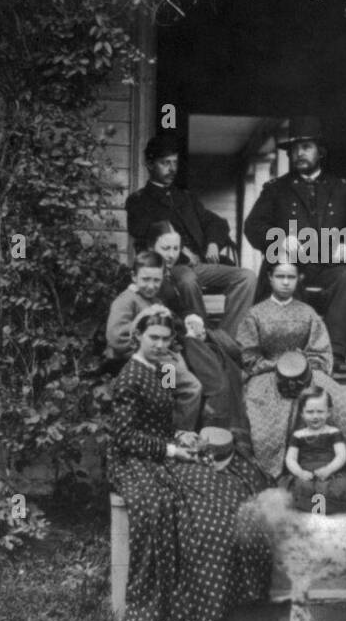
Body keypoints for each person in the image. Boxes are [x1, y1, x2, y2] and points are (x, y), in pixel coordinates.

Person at [105, 306, 272, 621]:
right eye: (153, 338)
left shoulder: (163, 368)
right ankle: (185, 606)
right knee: (183, 506)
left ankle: (226, 593)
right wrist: (170, 450)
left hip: (163, 447)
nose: (160, 344)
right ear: (138, 337)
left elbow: (167, 413)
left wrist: (180, 435)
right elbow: (124, 437)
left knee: (235, 481)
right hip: (134, 460)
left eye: (166, 339)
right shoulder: (129, 378)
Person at [237, 260, 346, 480]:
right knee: (265, 423)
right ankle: (275, 473)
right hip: (266, 376)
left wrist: (303, 366)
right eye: (280, 277)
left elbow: (321, 352)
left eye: (291, 277)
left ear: (299, 279)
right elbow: (248, 357)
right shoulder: (255, 314)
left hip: (307, 373)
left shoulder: (308, 312)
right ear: (270, 278)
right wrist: (278, 365)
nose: (286, 282)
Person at [243, 115, 346, 365]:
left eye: (306, 147)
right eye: (294, 149)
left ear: (320, 151)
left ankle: (333, 355)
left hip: (328, 268)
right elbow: (253, 226)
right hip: (290, 266)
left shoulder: (342, 189)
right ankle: (292, 355)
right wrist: (278, 242)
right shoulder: (275, 189)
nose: (299, 153)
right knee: (286, 276)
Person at [125, 133, 255, 336]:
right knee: (187, 279)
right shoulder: (139, 201)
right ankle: (201, 336)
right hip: (170, 266)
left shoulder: (185, 198)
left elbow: (215, 222)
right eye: (165, 163)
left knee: (246, 277)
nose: (172, 169)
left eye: (174, 163)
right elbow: (143, 235)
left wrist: (213, 243)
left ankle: (226, 338)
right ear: (150, 164)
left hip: (200, 264)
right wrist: (180, 250)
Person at [145, 222, 250, 445]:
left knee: (225, 366)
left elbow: (179, 307)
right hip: (159, 354)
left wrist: (191, 318)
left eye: (175, 249)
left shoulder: (168, 275)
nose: (172, 255)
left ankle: (223, 435)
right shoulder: (147, 277)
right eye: (165, 249)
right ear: (151, 247)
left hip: (178, 344)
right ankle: (173, 438)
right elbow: (146, 314)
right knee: (175, 387)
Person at [103, 250, 203, 430]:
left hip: (163, 361)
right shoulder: (126, 301)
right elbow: (115, 337)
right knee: (191, 389)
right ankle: (180, 434)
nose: (151, 285)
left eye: (156, 280)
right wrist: (143, 316)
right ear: (134, 277)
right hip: (136, 364)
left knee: (170, 391)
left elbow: (168, 329)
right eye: (146, 279)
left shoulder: (154, 299)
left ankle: (171, 433)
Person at [282, 385, 346, 514]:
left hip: (330, 473)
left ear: (328, 412)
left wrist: (329, 469)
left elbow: (341, 455)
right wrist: (300, 473)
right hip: (306, 474)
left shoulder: (333, 432)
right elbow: (290, 458)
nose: (315, 416)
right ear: (302, 414)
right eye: (310, 412)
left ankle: (328, 515)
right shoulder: (298, 435)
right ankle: (309, 516)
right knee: (301, 488)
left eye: (320, 412)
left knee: (338, 488)